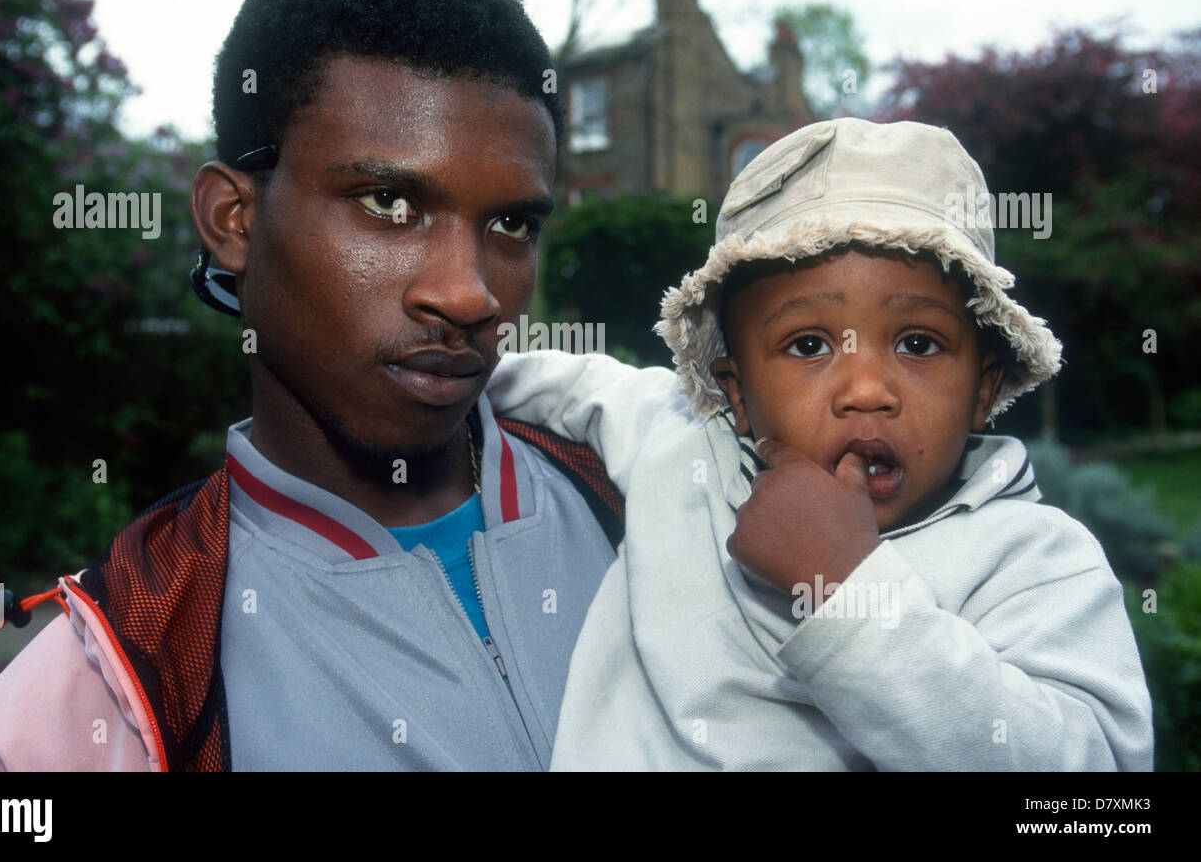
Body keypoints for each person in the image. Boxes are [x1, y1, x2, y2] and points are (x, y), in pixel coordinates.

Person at [0, 0, 621, 772]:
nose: (469, 292)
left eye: (512, 224)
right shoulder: (110, 680)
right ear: (233, 220)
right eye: (388, 201)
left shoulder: (650, 502)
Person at [487, 118, 1155, 770]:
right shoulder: (681, 446)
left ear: (984, 387)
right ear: (737, 392)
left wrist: (847, 591)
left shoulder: (1032, 557)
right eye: (808, 345)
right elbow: (556, 382)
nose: (866, 389)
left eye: (918, 344)